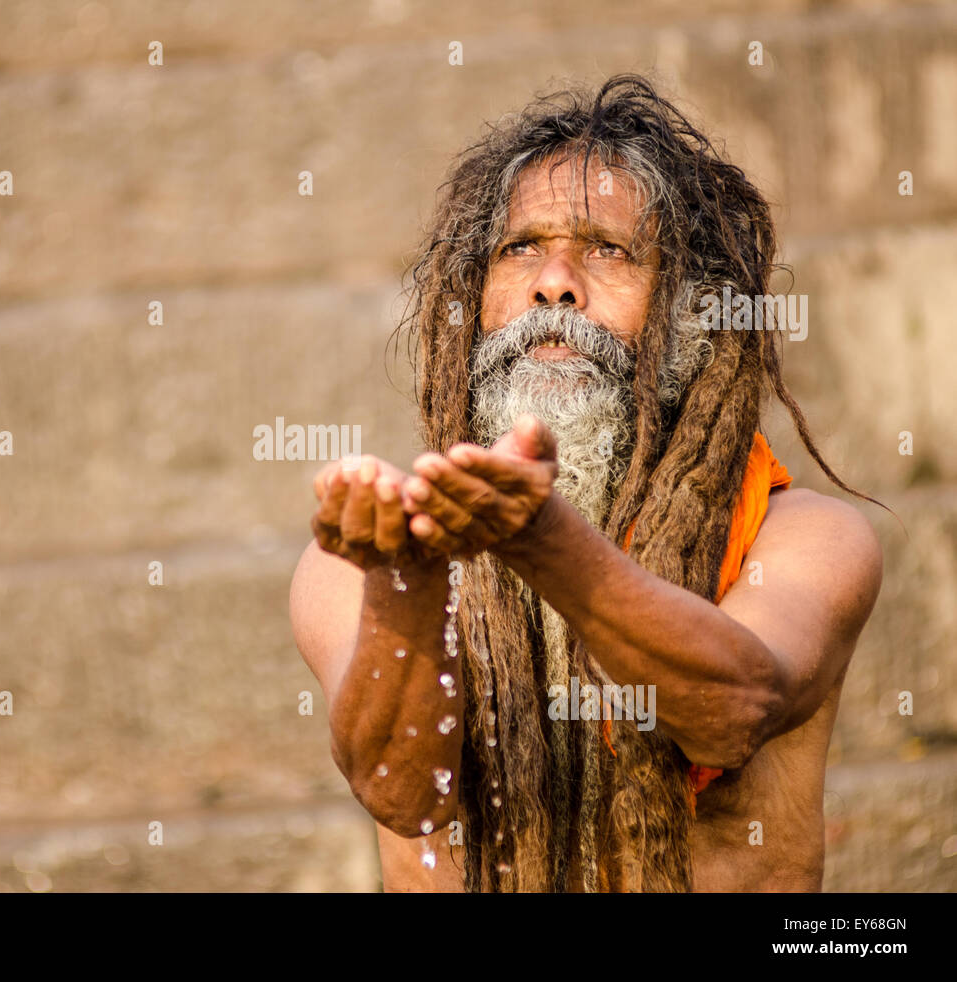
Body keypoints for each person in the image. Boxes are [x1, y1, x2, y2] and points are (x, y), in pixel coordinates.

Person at [289, 75, 883, 892]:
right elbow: (397, 790)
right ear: (473, 303)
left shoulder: (806, 538)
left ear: (694, 315)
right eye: (520, 247)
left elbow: (733, 710)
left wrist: (541, 539)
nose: (555, 282)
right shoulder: (364, 559)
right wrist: (409, 580)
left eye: (608, 250)